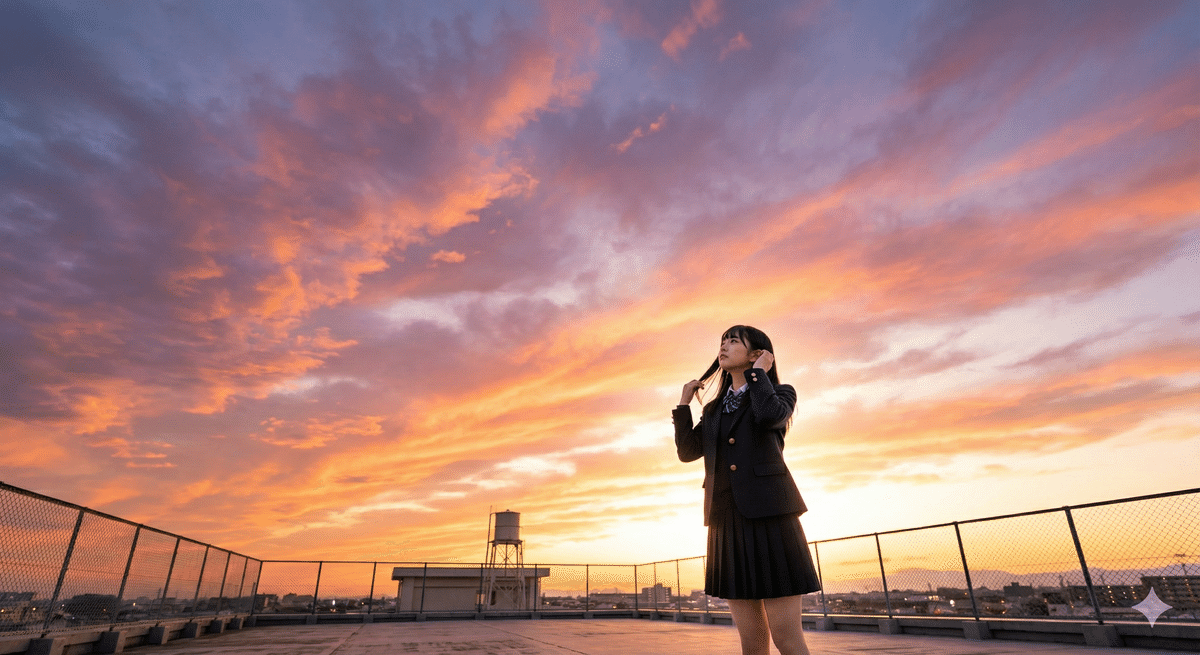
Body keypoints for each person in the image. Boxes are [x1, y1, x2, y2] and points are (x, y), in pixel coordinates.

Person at [674, 325, 820, 655]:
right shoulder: (712, 409)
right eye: (722, 340)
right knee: (751, 642)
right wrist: (683, 405)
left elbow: (769, 416)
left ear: (756, 354)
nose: (724, 346)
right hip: (726, 523)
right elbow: (687, 452)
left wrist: (758, 375)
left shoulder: (781, 393)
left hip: (772, 520)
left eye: (733, 341)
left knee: (787, 638)